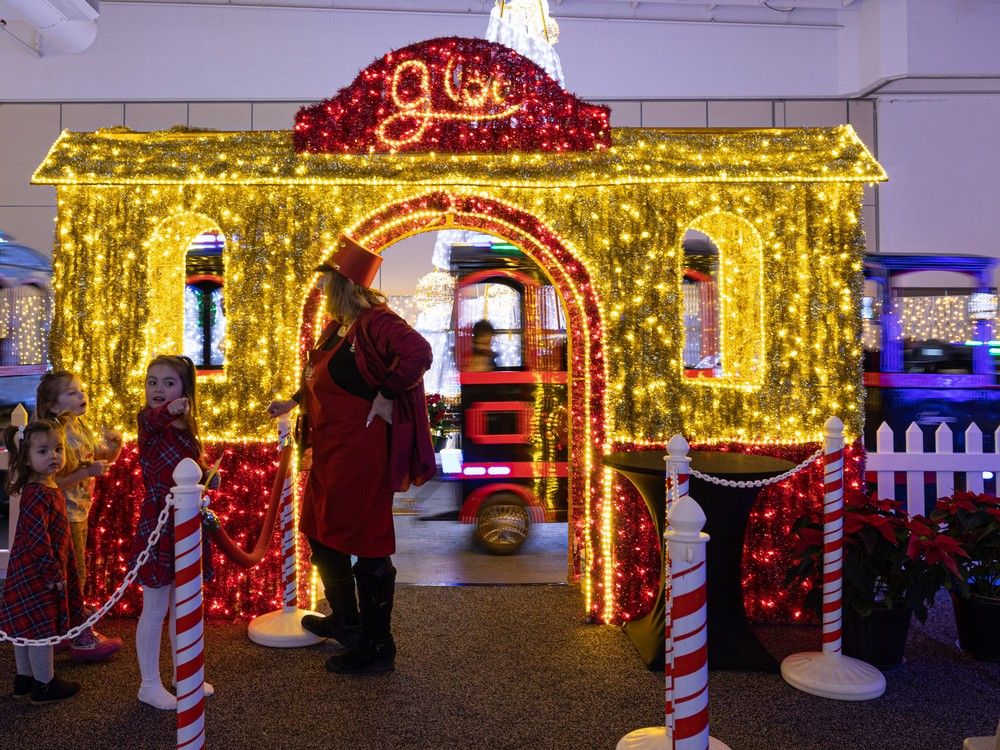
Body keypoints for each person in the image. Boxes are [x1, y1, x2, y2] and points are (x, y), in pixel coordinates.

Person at [268, 233, 435, 675]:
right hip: (329, 450)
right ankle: (347, 620)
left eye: (326, 281)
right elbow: (321, 376)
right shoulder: (337, 326)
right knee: (321, 532)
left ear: (344, 285)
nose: (321, 290)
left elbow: (418, 353)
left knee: (368, 544)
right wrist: (293, 400)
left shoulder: (375, 321)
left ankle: (378, 646)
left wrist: (386, 392)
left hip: (361, 455)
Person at [130, 355, 216, 709]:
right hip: (158, 526)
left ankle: (185, 673)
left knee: (184, 606)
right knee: (155, 607)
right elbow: (152, 420)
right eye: (153, 382)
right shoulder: (150, 422)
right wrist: (169, 409)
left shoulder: (186, 428)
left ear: (185, 388)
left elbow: (189, 469)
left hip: (187, 523)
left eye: (168, 382)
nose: (158, 389)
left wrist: (209, 476)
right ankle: (148, 684)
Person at [35, 370, 124, 662]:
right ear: (54, 406)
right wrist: (87, 471)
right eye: (72, 393)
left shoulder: (80, 426)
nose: (81, 396)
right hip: (64, 514)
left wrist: (113, 447)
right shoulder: (55, 434)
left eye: (81, 390)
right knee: (75, 574)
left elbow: (100, 457)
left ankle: (61, 630)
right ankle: (80, 637)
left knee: (74, 572)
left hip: (80, 510)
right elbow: (55, 481)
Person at [0, 419, 85, 704]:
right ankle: (45, 685)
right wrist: (52, 572)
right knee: (39, 629)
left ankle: (24, 680)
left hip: (27, 569)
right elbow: (38, 538)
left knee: (24, 627)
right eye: (43, 451)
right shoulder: (39, 493)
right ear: (26, 457)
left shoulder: (46, 488)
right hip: (38, 571)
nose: (54, 456)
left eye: (58, 449)